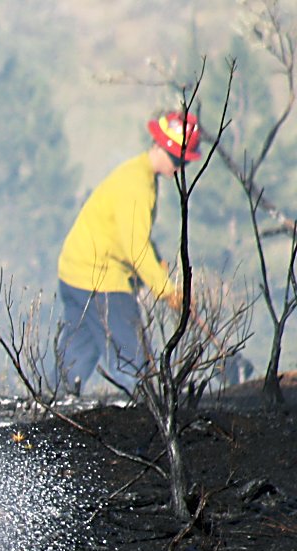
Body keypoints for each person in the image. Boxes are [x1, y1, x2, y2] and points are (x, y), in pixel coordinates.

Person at [55, 110, 201, 394]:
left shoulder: (138, 175)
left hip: (75, 274)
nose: (179, 167)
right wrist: (167, 291)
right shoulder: (137, 185)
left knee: (73, 362)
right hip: (100, 281)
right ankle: (148, 411)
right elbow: (135, 247)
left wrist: (156, 263)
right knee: (135, 365)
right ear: (157, 145)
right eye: (175, 159)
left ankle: (49, 406)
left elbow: (134, 234)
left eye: (183, 161)